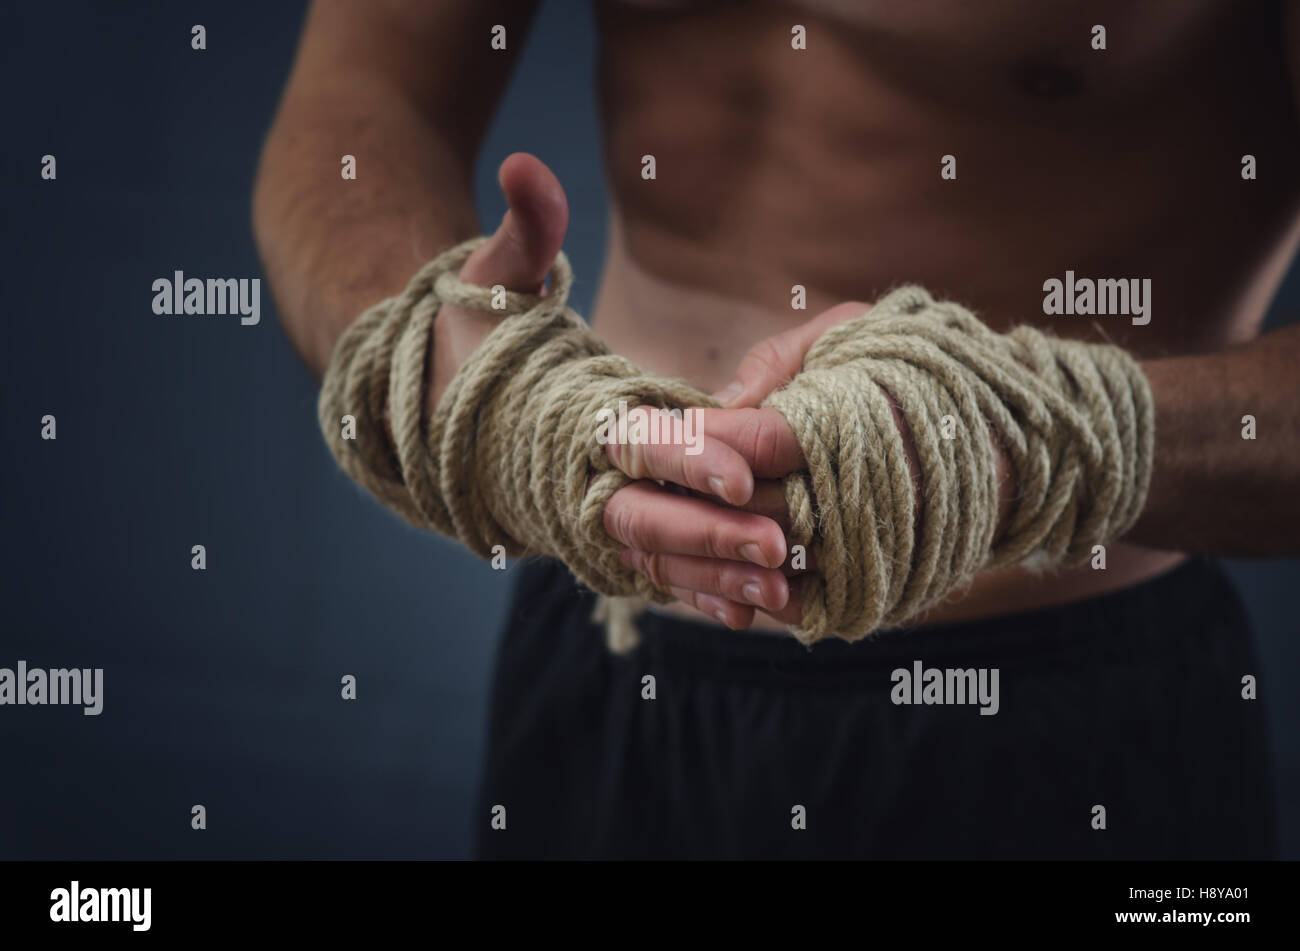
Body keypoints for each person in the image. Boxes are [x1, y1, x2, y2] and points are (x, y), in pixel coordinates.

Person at [253, 0, 1299, 858]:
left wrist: (1036, 437)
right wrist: (458, 384)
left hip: (1063, 712)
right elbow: (360, 96)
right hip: (611, 653)